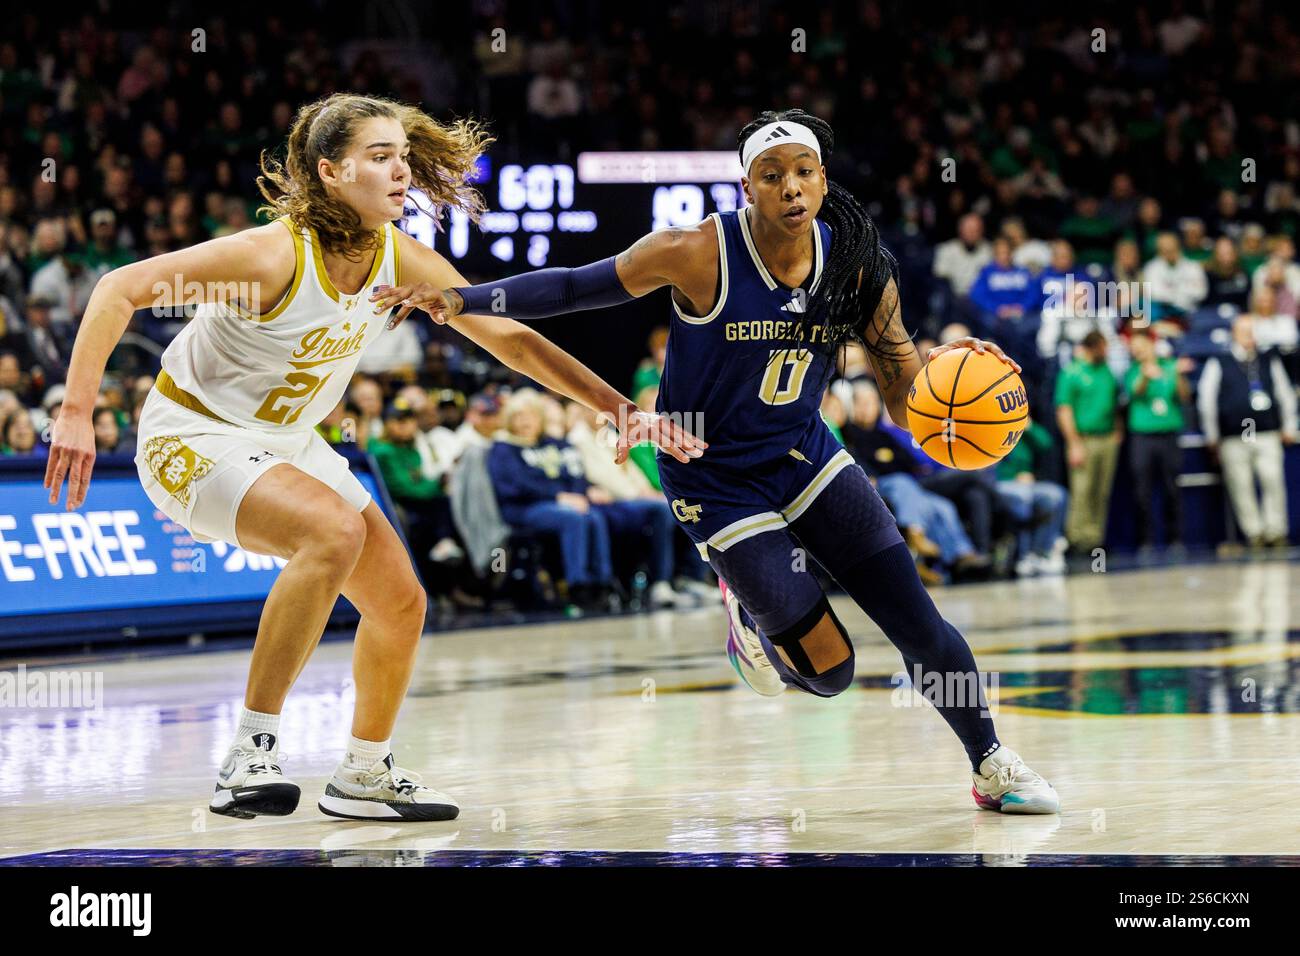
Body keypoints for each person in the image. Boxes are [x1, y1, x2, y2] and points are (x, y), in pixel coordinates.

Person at [44, 92, 704, 823]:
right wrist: (75, 411)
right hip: (193, 434)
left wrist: (618, 407)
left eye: (403, 156)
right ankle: (249, 755)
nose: (401, 172)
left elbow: (509, 337)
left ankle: (363, 771)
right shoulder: (266, 257)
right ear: (330, 171)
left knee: (401, 603)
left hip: (285, 438)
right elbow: (118, 289)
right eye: (380, 157)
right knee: (332, 531)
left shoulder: (400, 256)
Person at [412, 108, 1059, 813]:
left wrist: (955, 390)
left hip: (804, 455)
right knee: (831, 674)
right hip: (713, 478)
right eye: (772, 175)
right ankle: (748, 614)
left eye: (804, 173)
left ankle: (990, 762)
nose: (790, 187)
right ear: (746, 185)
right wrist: (460, 298)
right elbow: (571, 286)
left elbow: (906, 401)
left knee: (916, 619)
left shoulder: (860, 269)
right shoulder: (694, 250)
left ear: (822, 180)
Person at [1197, 314, 1296, 548]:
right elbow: (1207, 399)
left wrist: (1289, 425)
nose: (1249, 336)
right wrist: (1212, 435)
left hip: (1266, 432)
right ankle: (1255, 533)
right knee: (1241, 485)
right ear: (1234, 333)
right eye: (1244, 331)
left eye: (1252, 331)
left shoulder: (1267, 360)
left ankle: (1276, 531)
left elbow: (1285, 394)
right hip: (1234, 436)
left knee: (1272, 480)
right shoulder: (1219, 361)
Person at [1055, 330, 1122, 552]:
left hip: (1106, 437)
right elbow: (1064, 410)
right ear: (1093, 347)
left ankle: (1095, 539)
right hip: (1083, 439)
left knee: (1101, 491)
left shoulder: (1106, 371)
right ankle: (1077, 539)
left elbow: (1114, 403)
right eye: (1103, 347)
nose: (1107, 352)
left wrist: (1117, 430)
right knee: (1082, 491)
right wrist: (1074, 443)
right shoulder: (1072, 372)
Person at [1123, 329, 1188, 553]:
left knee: (1172, 488)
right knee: (1142, 490)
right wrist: (1145, 375)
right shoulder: (1133, 371)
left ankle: (1175, 538)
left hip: (1168, 434)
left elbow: (1184, 396)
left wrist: (1178, 374)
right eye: (1135, 348)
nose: (1139, 351)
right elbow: (1134, 392)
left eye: (1142, 346)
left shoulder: (1169, 367)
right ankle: (1146, 541)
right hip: (1143, 437)